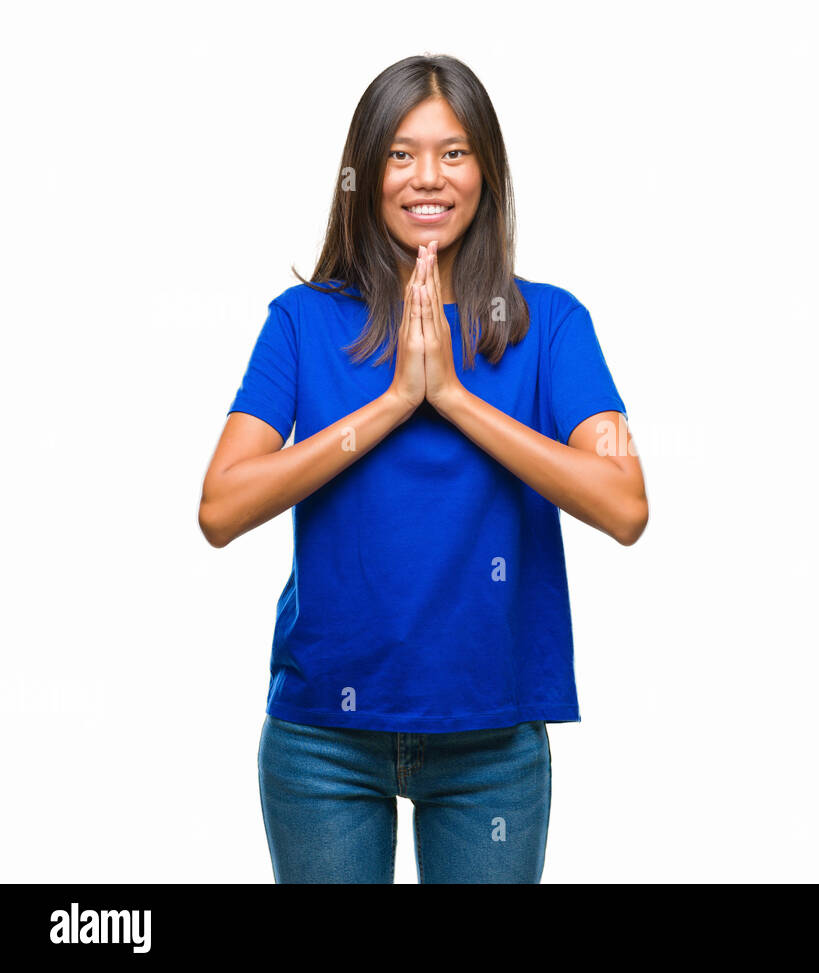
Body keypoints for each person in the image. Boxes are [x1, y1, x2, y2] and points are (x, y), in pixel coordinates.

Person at [198, 53, 648, 883]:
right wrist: (396, 401)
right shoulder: (300, 323)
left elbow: (623, 504)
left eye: (454, 151)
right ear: (366, 175)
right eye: (401, 154)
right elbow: (222, 507)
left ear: (487, 171)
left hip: (492, 745)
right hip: (322, 742)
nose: (427, 177)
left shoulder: (549, 323)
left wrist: (454, 396)